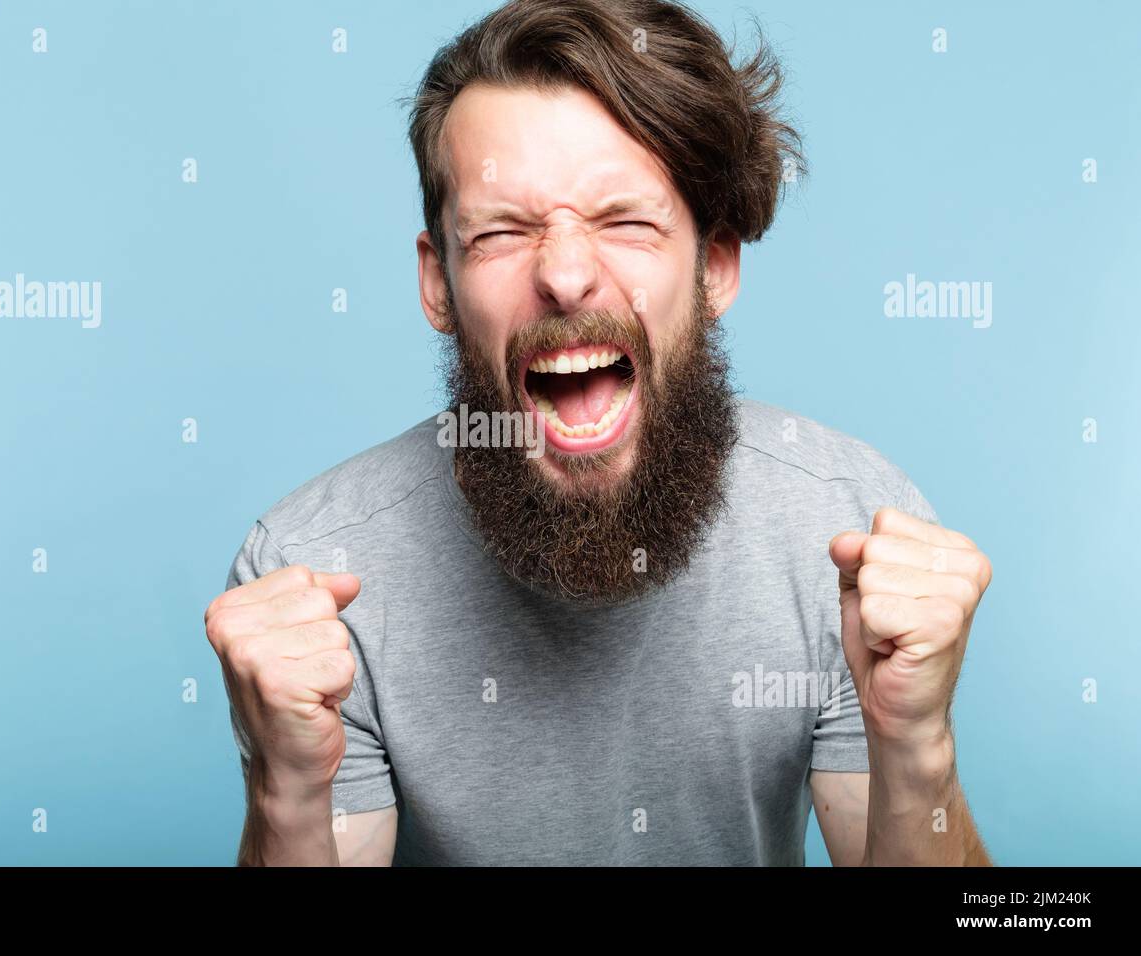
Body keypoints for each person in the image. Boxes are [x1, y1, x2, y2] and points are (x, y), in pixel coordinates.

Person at [205, 0, 993, 865]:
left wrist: (916, 746)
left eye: (626, 221)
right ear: (438, 283)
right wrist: (286, 791)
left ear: (715, 266)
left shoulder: (844, 537)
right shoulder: (315, 574)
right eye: (503, 230)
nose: (567, 275)